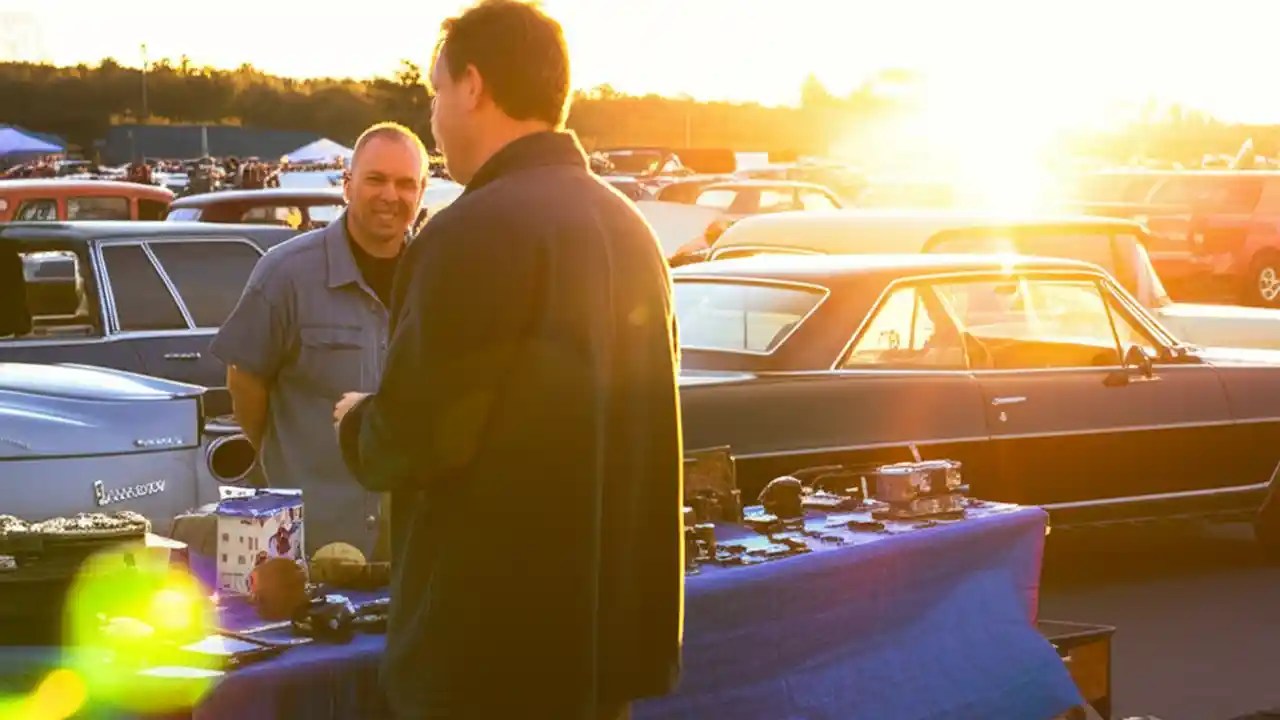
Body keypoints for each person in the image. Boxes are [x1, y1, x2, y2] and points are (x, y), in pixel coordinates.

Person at [333, 2, 684, 718]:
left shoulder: (470, 232)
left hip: (486, 657)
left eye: (435, 93)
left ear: (472, 86)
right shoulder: (630, 229)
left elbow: (416, 440)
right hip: (596, 648)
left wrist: (356, 421)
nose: (433, 118)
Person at [211, 122, 428, 559]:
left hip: (406, 542)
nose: (391, 195)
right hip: (302, 538)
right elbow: (245, 384)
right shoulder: (286, 274)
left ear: (422, 193)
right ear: (347, 186)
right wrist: (288, 468)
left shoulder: (436, 277)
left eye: (406, 183)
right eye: (376, 179)